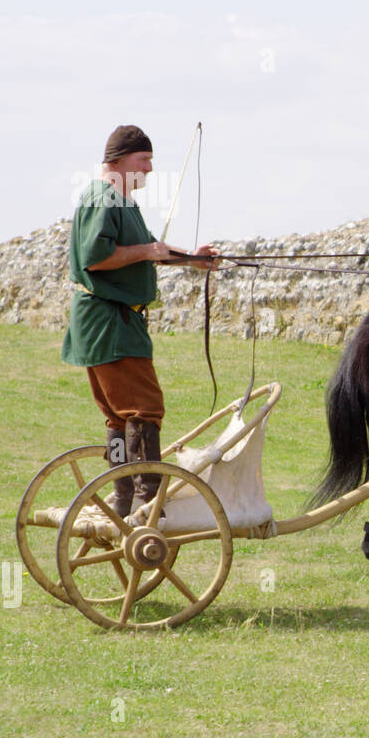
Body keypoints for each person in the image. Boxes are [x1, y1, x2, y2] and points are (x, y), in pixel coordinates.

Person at [61, 125, 219, 518]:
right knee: (143, 410)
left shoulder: (120, 201)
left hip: (109, 323)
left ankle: (124, 496)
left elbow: (149, 251)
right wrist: (146, 250)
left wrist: (192, 259)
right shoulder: (105, 199)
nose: (149, 169)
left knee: (119, 418)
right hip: (109, 322)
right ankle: (147, 503)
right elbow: (96, 258)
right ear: (117, 160)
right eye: (143, 160)